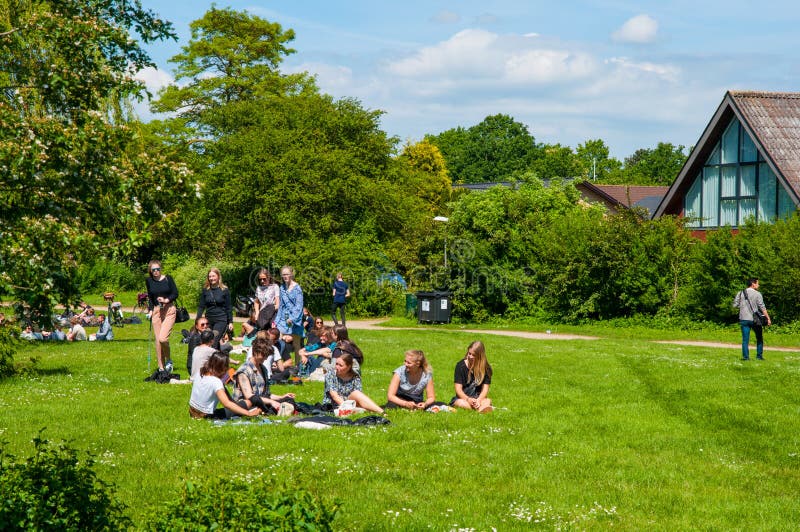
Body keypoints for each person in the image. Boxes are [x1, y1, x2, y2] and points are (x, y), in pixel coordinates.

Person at [232, 337, 296, 415]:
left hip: (261, 401)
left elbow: (266, 395)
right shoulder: (244, 371)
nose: (265, 358)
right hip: (246, 405)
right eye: (263, 355)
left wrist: (281, 397)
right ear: (255, 352)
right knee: (270, 406)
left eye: (267, 355)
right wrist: (271, 402)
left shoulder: (263, 368)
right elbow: (249, 396)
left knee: (288, 400)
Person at [189, 351, 261, 419]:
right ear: (222, 368)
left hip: (192, 412)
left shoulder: (200, 372)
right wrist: (248, 413)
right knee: (247, 403)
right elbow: (227, 404)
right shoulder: (216, 382)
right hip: (205, 416)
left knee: (240, 405)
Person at [145, 259, 179, 373]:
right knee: (158, 341)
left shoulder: (168, 278)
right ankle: (161, 367)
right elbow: (150, 297)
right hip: (156, 311)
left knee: (163, 338)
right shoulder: (149, 281)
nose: (156, 271)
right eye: (153, 270)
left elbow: (175, 293)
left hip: (169, 309)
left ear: (160, 269)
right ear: (150, 270)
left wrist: (166, 300)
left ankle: (168, 360)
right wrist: (150, 310)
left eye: (158, 269)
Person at [733, 277, 772, 360]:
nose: (758, 285)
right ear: (753, 284)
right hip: (755, 320)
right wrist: (768, 318)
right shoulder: (758, 294)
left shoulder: (740, 293)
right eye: (757, 283)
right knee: (759, 338)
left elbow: (735, 305)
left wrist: (742, 307)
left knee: (745, 340)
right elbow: (762, 307)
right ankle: (759, 356)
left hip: (744, 319)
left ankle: (746, 357)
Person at [450, 340, 493, 413]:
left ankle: (480, 407)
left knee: (487, 400)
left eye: (473, 355)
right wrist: (468, 399)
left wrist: (479, 400)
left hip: (478, 398)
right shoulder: (460, 366)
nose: (470, 356)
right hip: (463, 398)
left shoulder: (486, 368)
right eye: (469, 353)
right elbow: (458, 390)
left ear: (480, 357)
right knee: (461, 403)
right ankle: (481, 409)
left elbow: (485, 389)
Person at [196, 268, 232, 349]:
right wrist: (197, 320)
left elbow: (229, 307)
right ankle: (218, 358)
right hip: (209, 320)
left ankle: (212, 360)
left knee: (214, 340)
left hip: (221, 319)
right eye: (210, 276)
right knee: (207, 339)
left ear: (218, 276)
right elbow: (201, 306)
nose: (211, 278)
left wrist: (230, 322)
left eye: (213, 276)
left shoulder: (225, 290)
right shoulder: (205, 290)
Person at [275, 265, 304, 365]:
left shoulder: (297, 288)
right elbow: (281, 306)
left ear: (291, 274)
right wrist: (276, 320)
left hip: (295, 320)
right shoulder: (282, 288)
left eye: (287, 274)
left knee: (297, 345)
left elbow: (299, 306)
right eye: (283, 275)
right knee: (277, 340)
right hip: (284, 317)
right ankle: (279, 363)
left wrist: (292, 319)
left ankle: (298, 366)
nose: (285, 276)